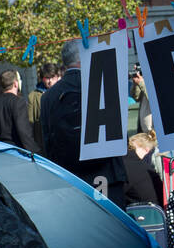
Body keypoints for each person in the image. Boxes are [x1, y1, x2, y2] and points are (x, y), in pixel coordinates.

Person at [41, 39, 128, 207]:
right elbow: (119, 138)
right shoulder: (102, 85)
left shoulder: (47, 97)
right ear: (84, 57)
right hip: (106, 176)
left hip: (70, 179)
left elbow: (47, 142)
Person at [0, 69, 37, 152]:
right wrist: (35, 152)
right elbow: (24, 131)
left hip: (2, 154)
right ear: (16, 84)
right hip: (19, 153)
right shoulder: (19, 102)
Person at [26, 62, 61, 156]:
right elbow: (30, 123)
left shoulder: (64, 91)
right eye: (47, 78)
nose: (50, 81)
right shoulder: (33, 96)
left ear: (58, 76)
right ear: (42, 79)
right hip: (44, 145)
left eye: (52, 77)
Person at [123, 131, 163, 206]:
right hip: (156, 212)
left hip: (141, 212)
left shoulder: (127, 165)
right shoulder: (147, 168)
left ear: (146, 150)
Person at [128, 66, 153, 134]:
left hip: (154, 131)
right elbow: (136, 97)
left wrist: (141, 82)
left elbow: (153, 98)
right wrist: (135, 84)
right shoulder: (145, 81)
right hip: (144, 131)